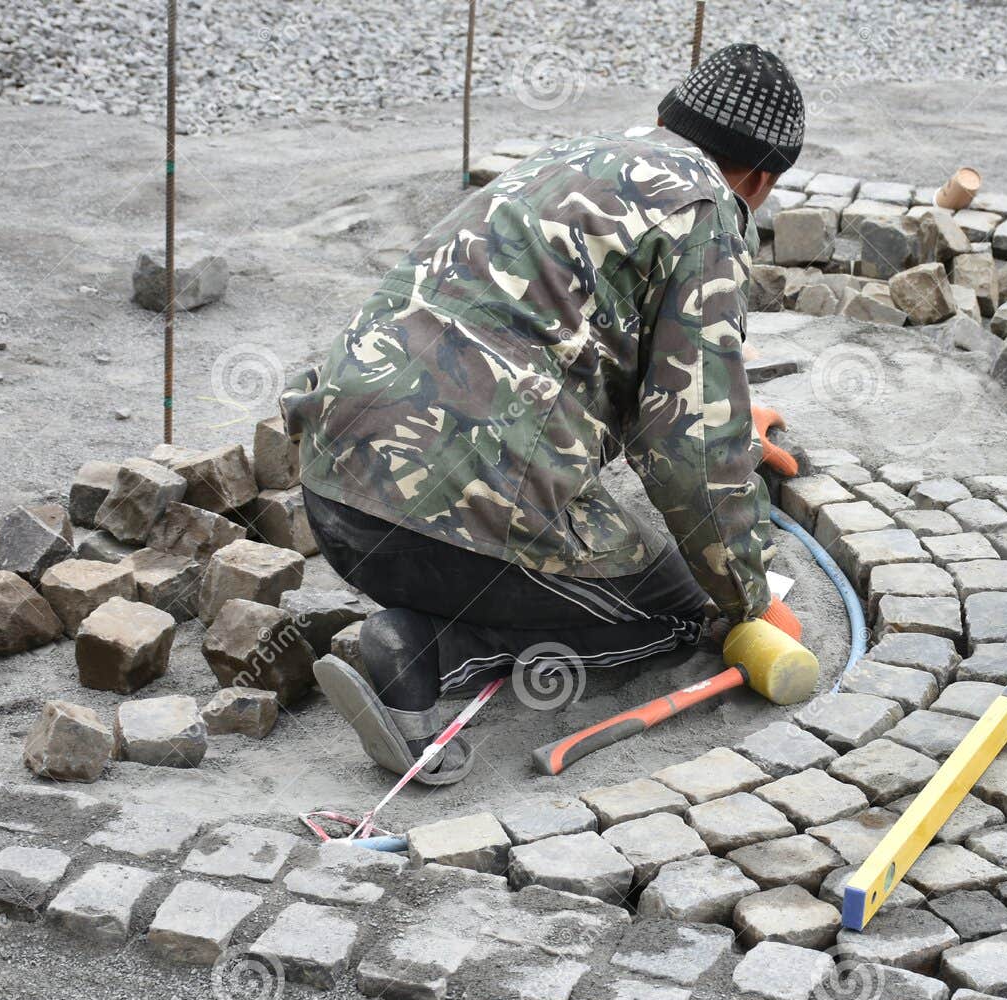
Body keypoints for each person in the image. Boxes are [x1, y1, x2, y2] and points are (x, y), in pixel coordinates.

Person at [280, 43, 806, 784]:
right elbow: (685, 450)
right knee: (678, 611)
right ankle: (431, 651)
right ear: (760, 178)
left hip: (332, 489)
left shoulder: (574, 158)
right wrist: (747, 600)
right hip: (443, 527)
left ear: (666, 117)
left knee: (545, 524)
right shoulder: (707, 211)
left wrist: (731, 417)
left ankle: (431, 615)